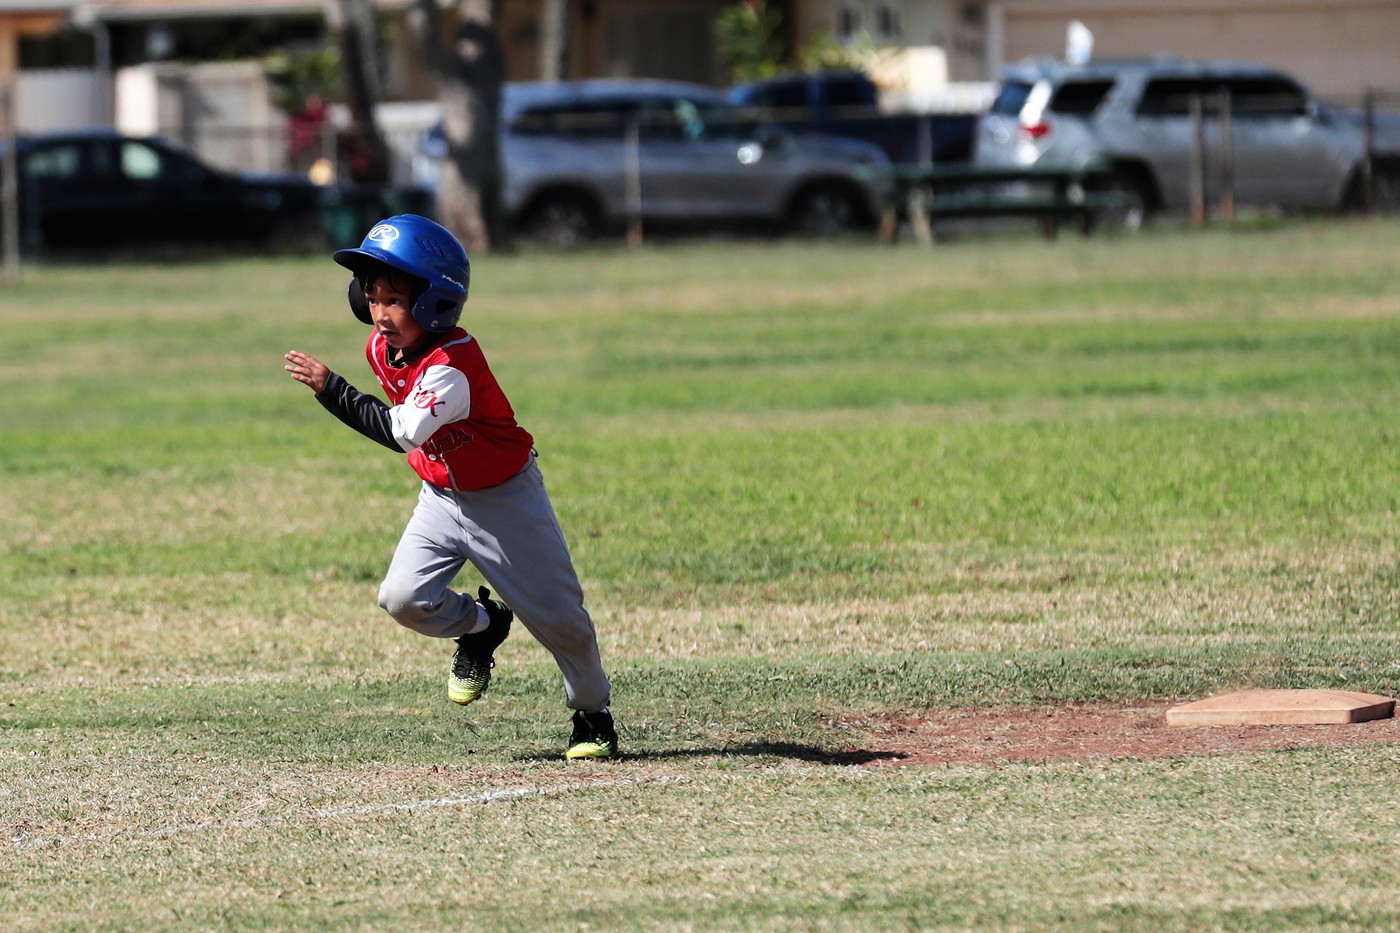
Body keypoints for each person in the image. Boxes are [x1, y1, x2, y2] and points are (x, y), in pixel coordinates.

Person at [284, 214, 617, 760]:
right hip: (440, 496)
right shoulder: (380, 348)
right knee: (401, 598)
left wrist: (330, 389)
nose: (380, 314)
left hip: (504, 498)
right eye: (370, 297)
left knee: (561, 619)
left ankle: (592, 714)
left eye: (394, 299)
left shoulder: (451, 368)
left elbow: (401, 431)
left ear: (436, 301)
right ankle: (484, 625)